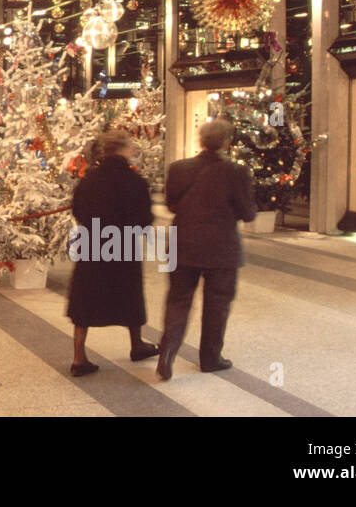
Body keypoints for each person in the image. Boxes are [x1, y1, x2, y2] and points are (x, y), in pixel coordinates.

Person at [156, 118, 257, 380]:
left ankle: (167, 355)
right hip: (221, 248)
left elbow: (170, 204)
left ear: (200, 140)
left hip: (182, 244)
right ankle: (211, 358)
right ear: (227, 142)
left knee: (178, 301)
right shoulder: (237, 172)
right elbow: (248, 214)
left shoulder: (178, 168)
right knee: (217, 303)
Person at [66, 130, 159, 376]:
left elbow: (78, 211)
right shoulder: (135, 182)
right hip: (123, 247)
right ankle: (137, 344)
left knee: (85, 300)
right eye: (131, 147)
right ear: (123, 150)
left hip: (93, 245)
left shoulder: (88, 181)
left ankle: (78, 357)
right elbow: (145, 218)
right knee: (130, 295)